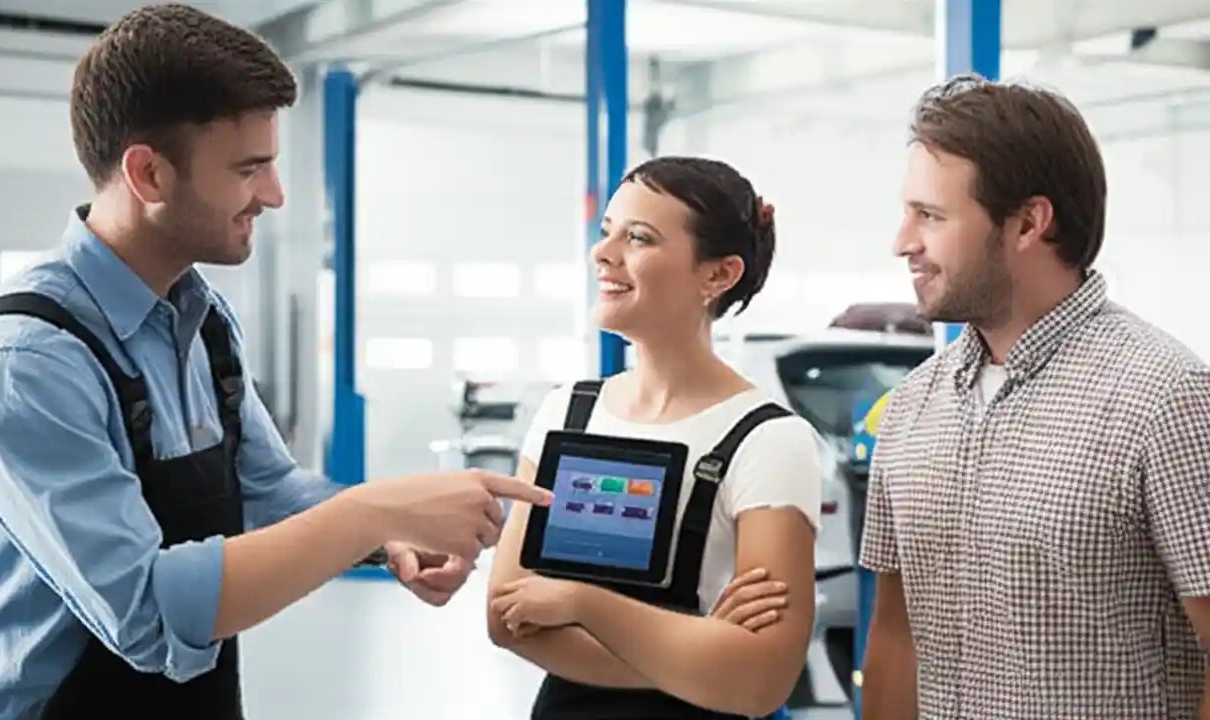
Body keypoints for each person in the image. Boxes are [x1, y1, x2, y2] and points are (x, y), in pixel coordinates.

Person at [0, 5, 550, 719]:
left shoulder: (202, 320)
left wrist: (388, 534)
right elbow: (147, 613)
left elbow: (264, 492)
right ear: (149, 174)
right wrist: (369, 510)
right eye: (249, 169)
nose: (275, 195)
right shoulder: (24, 366)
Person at [859, 73, 1210, 719]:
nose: (902, 241)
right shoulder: (910, 407)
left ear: (1028, 223)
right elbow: (896, 632)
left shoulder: (1168, 399)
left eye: (930, 216)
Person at [486, 156, 823, 719]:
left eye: (638, 237)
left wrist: (579, 602)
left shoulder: (769, 440)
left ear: (717, 275)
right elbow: (507, 619)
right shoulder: (566, 413)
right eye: (606, 232)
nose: (604, 252)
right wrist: (699, 647)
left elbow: (761, 683)